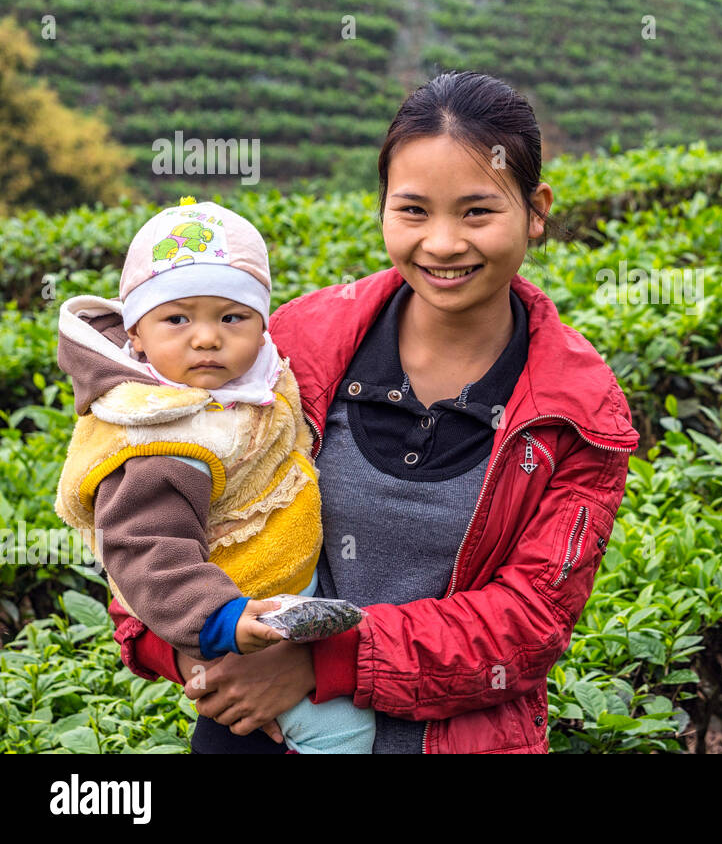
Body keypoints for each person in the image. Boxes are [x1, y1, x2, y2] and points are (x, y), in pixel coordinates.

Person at [101, 70, 640, 753]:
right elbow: (150, 517)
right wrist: (189, 655)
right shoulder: (294, 349)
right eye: (413, 210)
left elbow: (529, 624)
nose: (442, 243)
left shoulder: (578, 413)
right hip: (255, 732)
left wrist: (320, 664)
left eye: (477, 212)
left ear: (536, 210)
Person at [54, 196, 376, 753]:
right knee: (344, 733)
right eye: (177, 319)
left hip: (284, 601)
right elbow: (145, 548)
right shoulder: (157, 434)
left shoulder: (246, 386)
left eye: (232, 317)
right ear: (136, 334)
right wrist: (220, 619)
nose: (207, 338)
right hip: (233, 620)